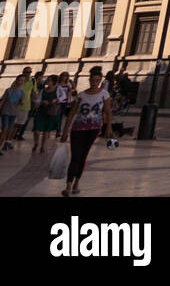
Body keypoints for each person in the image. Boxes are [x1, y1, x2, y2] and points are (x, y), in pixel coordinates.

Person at [59, 65, 112, 196]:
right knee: (75, 156)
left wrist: (108, 127)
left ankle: (77, 181)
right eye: (93, 80)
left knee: (83, 155)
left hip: (93, 129)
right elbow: (72, 113)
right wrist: (65, 131)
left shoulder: (104, 94)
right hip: (78, 129)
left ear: (100, 81)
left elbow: (107, 111)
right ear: (89, 80)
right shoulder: (81, 95)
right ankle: (68, 185)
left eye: (97, 80)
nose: (94, 83)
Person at [32, 76, 60, 153]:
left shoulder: (58, 90)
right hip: (41, 111)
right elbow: (38, 101)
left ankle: (42, 146)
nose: (47, 81)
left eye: (49, 80)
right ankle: (36, 143)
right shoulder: (43, 91)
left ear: (53, 82)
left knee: (46, 130)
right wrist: (41, 102)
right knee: (36, 130)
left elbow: (63, 98)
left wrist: (56, 100)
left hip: (50, 112)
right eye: (47, 80)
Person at [0, 76, 23, 154]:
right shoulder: (9, 90)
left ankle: (4, 144)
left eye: (22, 81)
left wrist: (21, 102)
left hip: (13, 113)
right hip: (6, 112)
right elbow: (3, 100)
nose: (21, 82)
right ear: (16, 80)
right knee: (4, 130)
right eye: (20, 80)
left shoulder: (21, 92)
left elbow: (21, 102)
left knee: (8, 130)